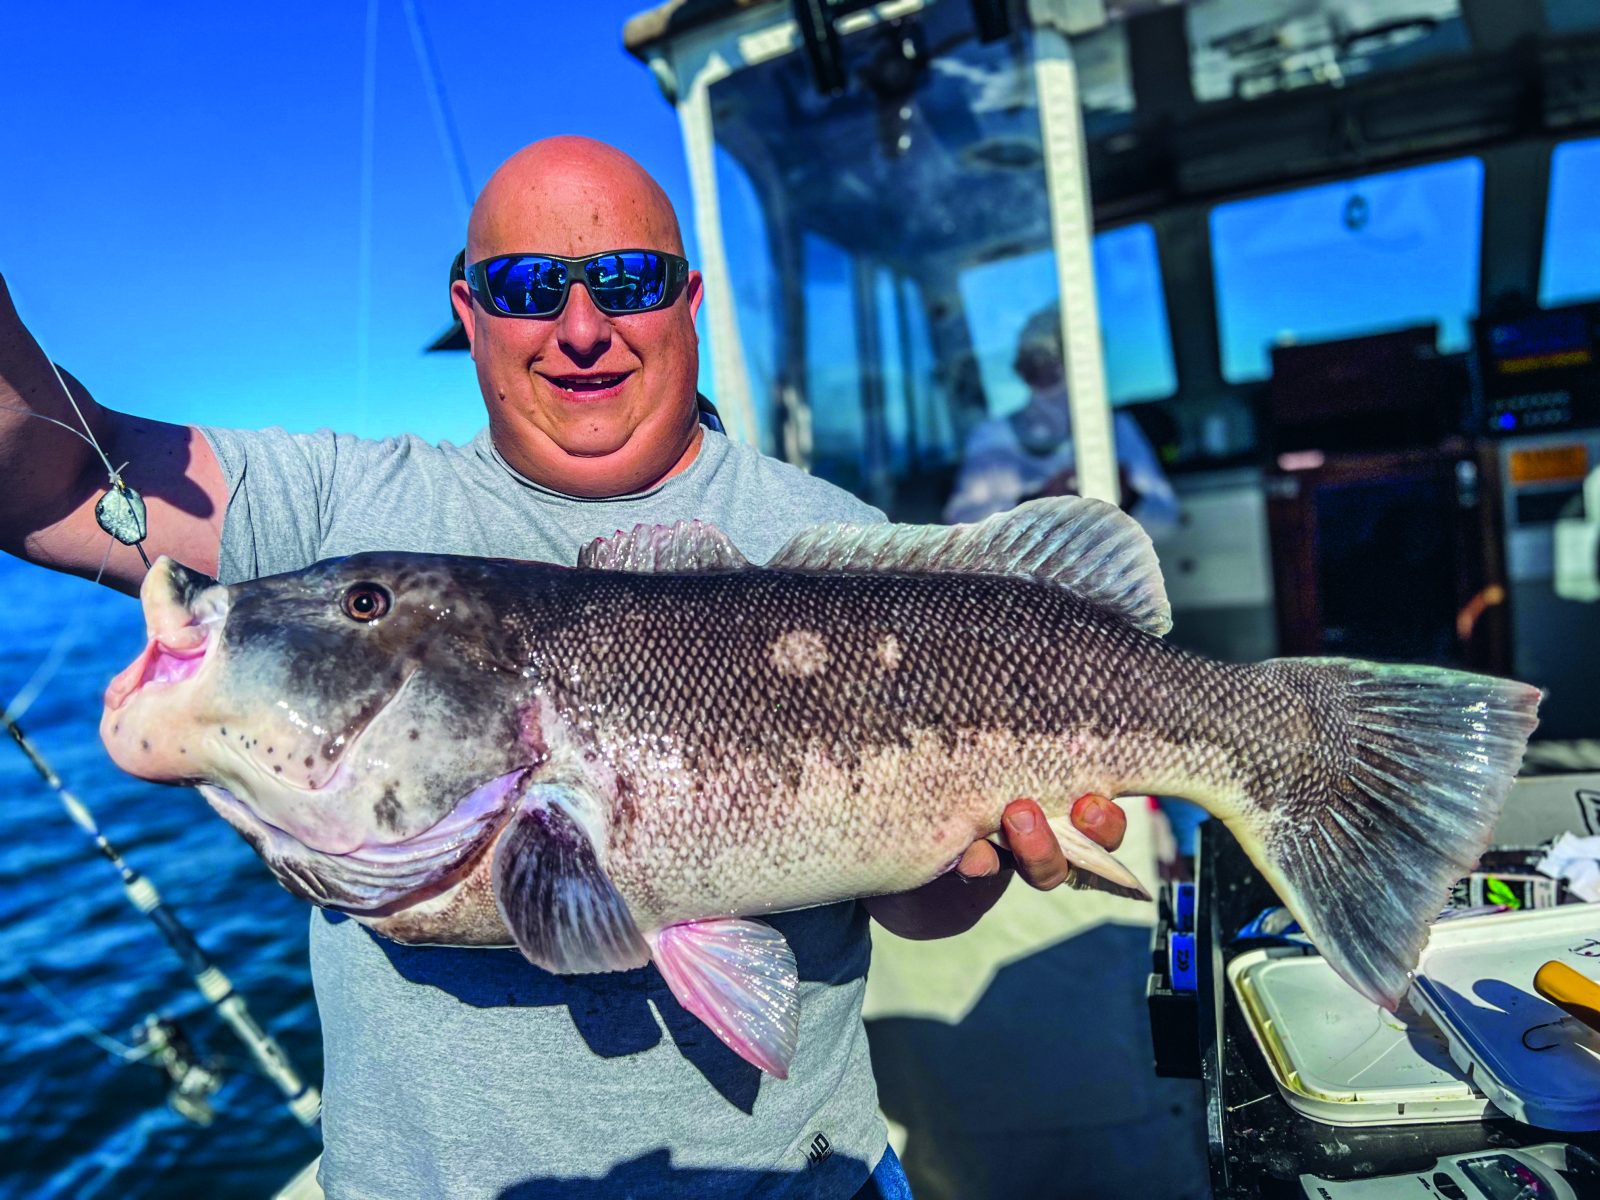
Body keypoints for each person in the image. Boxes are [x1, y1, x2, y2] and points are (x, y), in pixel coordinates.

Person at [0, 137, 1126, 1200]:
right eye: (530, 287)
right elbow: (44, 475)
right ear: (470, 310)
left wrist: (966, 864)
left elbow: (916, 910)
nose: (581, 327)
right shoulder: (347, 511)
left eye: (628, 279)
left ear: (687, 299)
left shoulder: (824, 535)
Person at [944, 303, 1180, 538]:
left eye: (1054, 359)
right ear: (1021, 369)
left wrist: (1129, 497)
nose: (1043, 370)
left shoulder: (1116, 428)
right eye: (1033, 361)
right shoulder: (990, 436)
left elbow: (1165, 520)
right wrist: (1039, 502)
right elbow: (959, 527)